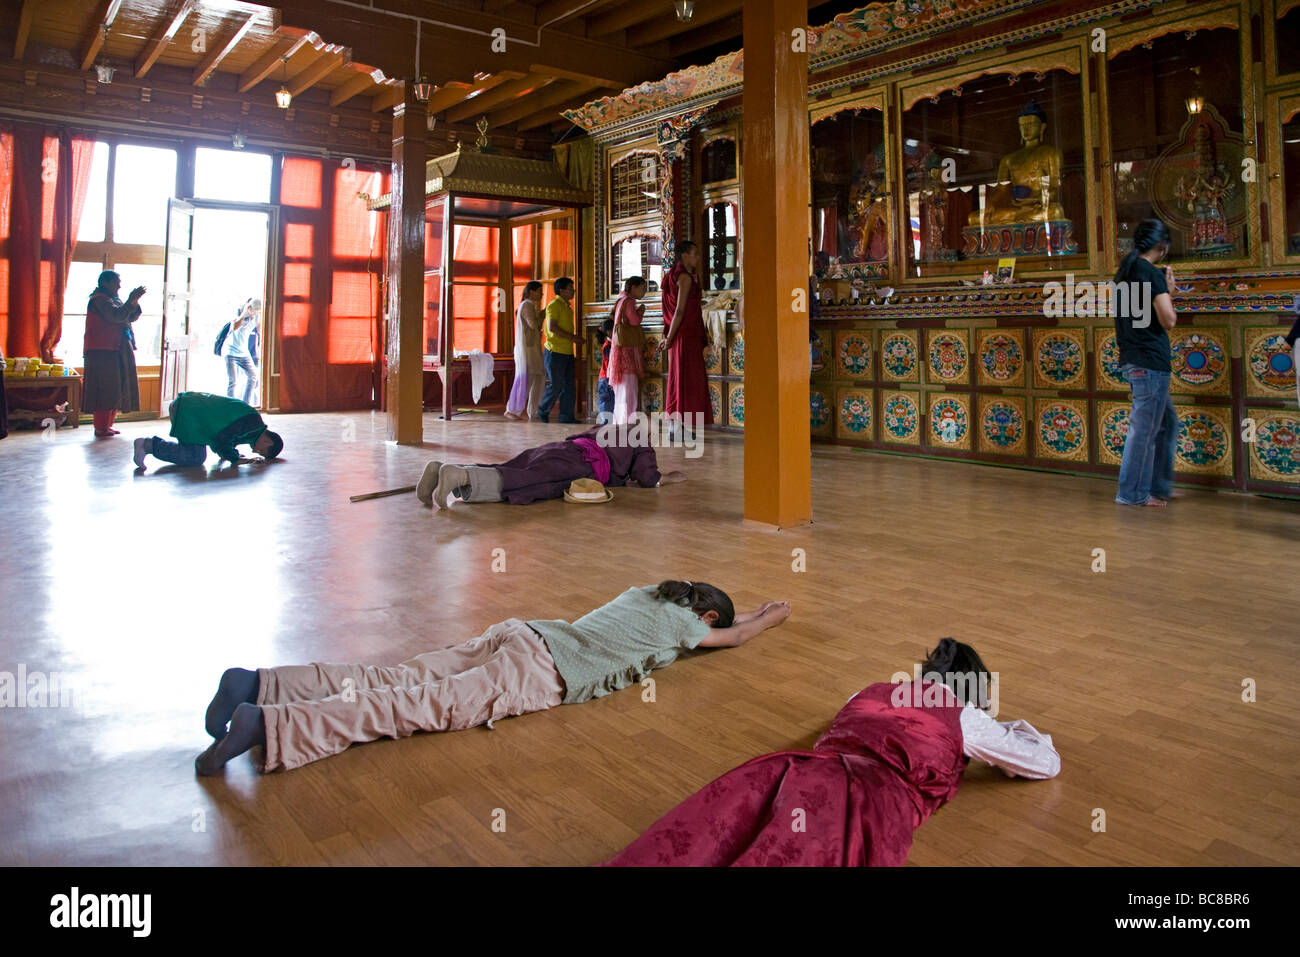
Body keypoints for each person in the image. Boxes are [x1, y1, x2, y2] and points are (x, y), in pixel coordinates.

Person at [195, 581, 793, 775]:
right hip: (542, 672)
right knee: (412, 706)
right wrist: (771, 616)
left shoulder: (644, 592)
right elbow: (736, 636)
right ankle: (269, 727)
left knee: (393, 675)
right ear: (706, 615)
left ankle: (259, 684)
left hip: (522, 631)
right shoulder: (689, 627)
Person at [603, 638, 1060, 867]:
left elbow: (846, 724)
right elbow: (1044, 764)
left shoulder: (872, 689)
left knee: (706, 840)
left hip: (792, 768)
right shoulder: (965, 716)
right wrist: (1007, 728)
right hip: (866, 797)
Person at [415, 427, 686, 508]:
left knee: (515, 467)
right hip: (579, 465)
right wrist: (667, 479)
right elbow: (647, 478)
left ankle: (442, 468)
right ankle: (459, 475)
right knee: (527, 483)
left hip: (561, 449)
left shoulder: (611, 427)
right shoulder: (643, 439)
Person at [1114, 218, 1179, 507]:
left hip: (1133, 357)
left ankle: (1158, 486)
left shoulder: (1126, 270)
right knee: (1144, 430)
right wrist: (1170, 292)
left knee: (1164, 423)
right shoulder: (1149, 273)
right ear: (1162, 246)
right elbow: (1169, 320)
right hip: (1150, 360)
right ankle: (1132, 493)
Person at [132, 390, 283, 470]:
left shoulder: (253, 427)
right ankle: (147, 445)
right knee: (194, 457)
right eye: (262, 451)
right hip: (187, 411)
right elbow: (223, 439)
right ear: (267, 440)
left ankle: (149, 445)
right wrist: (235, 459)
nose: (256, 453)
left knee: (196, 454)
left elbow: (223, 434)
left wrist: (228, 454)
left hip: (188, 407)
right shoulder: (252, 425)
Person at [658, 241, 714, 438]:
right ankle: (675, 427)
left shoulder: (672, 276)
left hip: (678, 336)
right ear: (685, 256)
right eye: (695, 254)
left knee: (678, 380)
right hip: (684, 336)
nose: (697, 258)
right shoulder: (684, 278)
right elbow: (680, 311)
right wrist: (670, 337)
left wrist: (668, 336)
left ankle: (677, 427)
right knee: (684, 380)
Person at [83, 270, 144, 438]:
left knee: (116, 388)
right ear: (105, 283)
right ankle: (101, 427)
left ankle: (107, 425)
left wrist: (134, 301)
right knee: (105, 389)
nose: (119, 285)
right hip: (102, 351)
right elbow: (116, 316)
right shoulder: (99, 300)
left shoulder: (113, 299)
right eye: (116, 282)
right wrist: (130, 300)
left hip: (115, 350)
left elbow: (129, 316)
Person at [537, 277, 581, 424]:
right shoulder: (554, 305)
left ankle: (566, 416)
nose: (573, 291)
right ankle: (542, 410)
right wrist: (574, 338)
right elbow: (552, 328)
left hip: (567, 351)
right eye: (570, 288)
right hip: (555, 351)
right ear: (561, 290)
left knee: (569, 386)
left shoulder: (567, 307)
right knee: (556, 385)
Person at [609, 276, 647, 425]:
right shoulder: (629, 302)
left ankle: (620, 422)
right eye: (642, 288)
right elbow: (635, 321)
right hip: (627, 352)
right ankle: (627, 423)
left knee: (622, 391)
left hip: (621, 351)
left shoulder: (620, 301)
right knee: (628, 390)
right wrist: (641, 311)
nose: (643, 292)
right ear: (633, 288)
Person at [505, 281, 545, 420]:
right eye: (539, 291)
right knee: (526, 378)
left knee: (537, 378)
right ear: (532, 291)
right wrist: (542, 315)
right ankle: (513, 409)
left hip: (532, 349)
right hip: (527, 350)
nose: (541, 294)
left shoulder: (529, 305)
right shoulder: (527, 305)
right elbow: (533, 325)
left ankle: (534, 411)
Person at [220, 298, 261, 405]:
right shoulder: (239, 315)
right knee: (233, 381)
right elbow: (234, 327)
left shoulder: (256, 318)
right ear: (249, 308)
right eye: (255, 309)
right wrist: (244, 313)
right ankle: (231, 406)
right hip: (230, 352)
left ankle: (245, 404)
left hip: (243, 353)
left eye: (258, 310)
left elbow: (260, 330)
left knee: (253, 377)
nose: (256, 312)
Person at [595, 317, 615, 426]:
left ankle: (609, 423)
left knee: (610, 401)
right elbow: (609, 364)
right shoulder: (608, 345)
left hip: (608, 377)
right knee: (606, 401)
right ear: (608, 331)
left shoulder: (611, 344)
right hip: (606, 378)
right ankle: (604, 423)